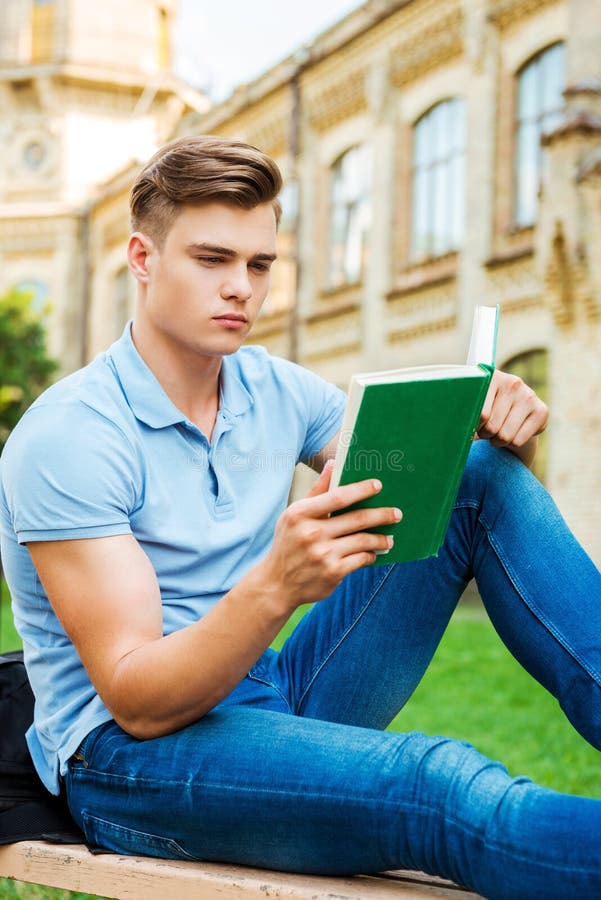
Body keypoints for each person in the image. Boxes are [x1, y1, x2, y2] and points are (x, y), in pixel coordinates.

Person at [0, 135, 600, 900]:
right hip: (130, 763)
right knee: (438, 788)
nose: (240, 289)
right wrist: (277, 584)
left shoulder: (273, 390)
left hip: (269, 692)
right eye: (211, 260)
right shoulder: (70, 437)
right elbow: (137, 700)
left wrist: (482, 416)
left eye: (258, 266)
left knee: (475, 479)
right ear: (142, 259)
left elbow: (412, 471)